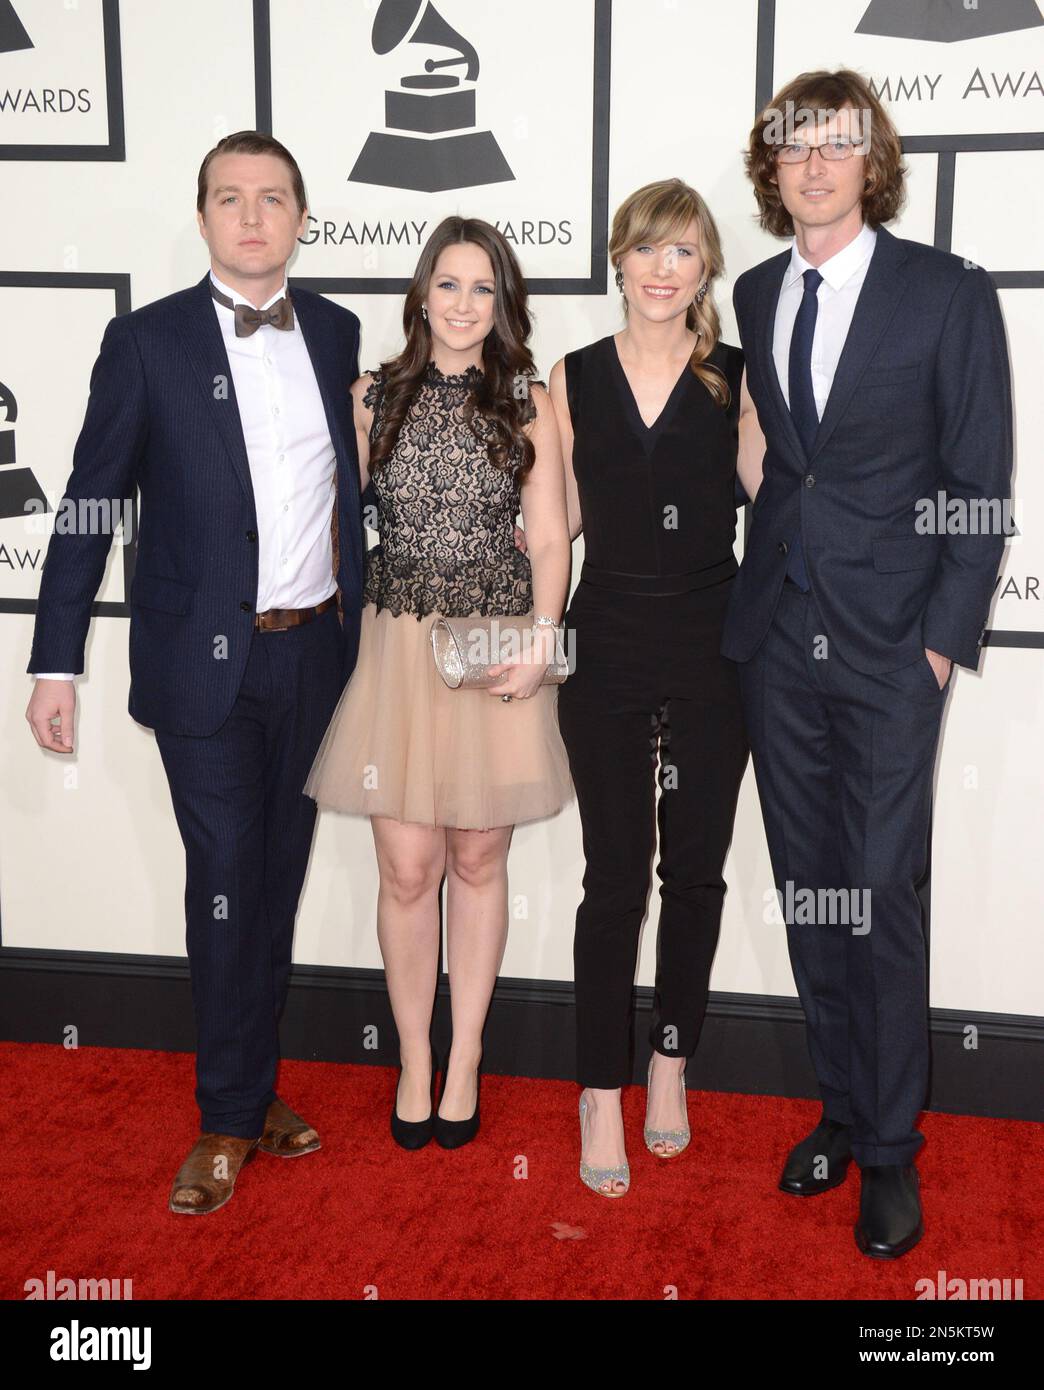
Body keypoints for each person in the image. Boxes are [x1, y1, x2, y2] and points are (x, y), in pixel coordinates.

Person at [25, 131, 366, 1215]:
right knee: (224, 881)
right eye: (231, 198)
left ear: (302, 218)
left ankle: (254, 1088)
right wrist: (53, 657)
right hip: (201, 667)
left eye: (273, 199)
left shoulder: (341, 334)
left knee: (273, 885)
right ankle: (225, 1117)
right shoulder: (146, 342)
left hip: (317, 653)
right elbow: (88, 503)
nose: (253, 216)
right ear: (206, 216)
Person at [722, 70, 1012, 1257]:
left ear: (872, 160)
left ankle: (892, 1151)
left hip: (897, 648)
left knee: (882, 893)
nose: (816, 164)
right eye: (796, 147)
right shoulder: (753, 290)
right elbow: (784, 466)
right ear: (774, 167)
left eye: (839, 145)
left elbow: (977, 483)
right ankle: (840, 1103)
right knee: (813, 886)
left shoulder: (945, 293)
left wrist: (942, 643)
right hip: (780, 641)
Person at [303, 217, 573, 1151]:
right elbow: (339, 523)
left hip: (495, 646)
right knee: (407, 868)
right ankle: (413, 1058)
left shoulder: (528, 400)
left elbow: (547, 538)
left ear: (504, 306)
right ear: (423, 294)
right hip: (397, 650)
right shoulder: (372, 396)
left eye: (483, 289)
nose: (464, 305)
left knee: (480, 860)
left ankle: (466, 1060)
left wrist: (542, 641)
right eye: (449, 285)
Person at [547, 179, 758, 1197]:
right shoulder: (572, 375)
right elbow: (554, 526)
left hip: (714, 643)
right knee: (614, 877)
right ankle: (599, 1092)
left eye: (684, 252)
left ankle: (668, 1064)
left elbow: (784, 497)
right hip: (608, 639)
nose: (664, 270)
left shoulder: (735, 377)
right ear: (618, 261)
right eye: (648, 250)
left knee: (698, 874)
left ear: (704, 268)